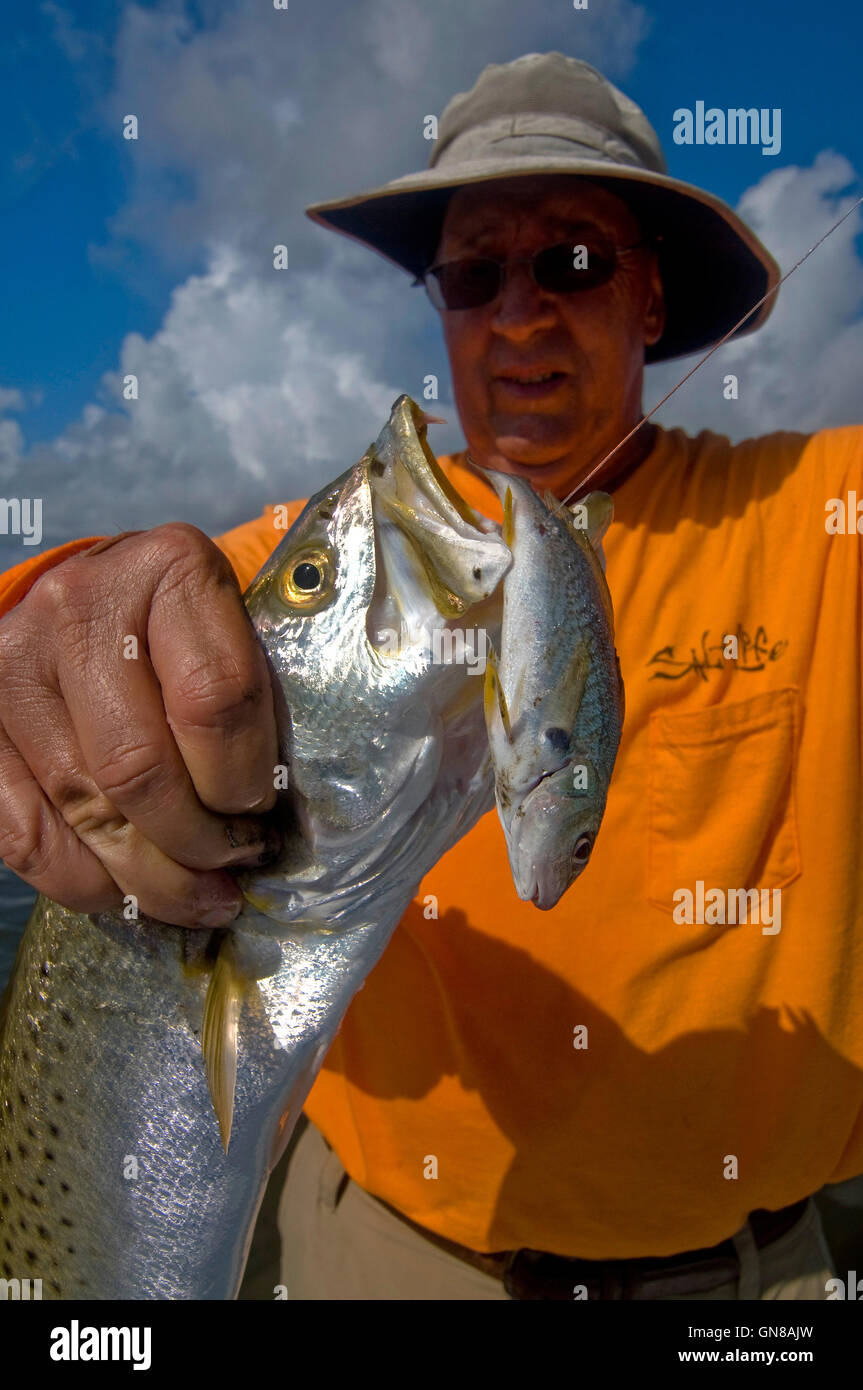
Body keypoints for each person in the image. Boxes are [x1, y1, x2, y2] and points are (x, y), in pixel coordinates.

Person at [0, 53, 859, 1300]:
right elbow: (135, 610)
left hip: (752, 1281)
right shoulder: (367, 542)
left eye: (571, 260)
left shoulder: (816, 516)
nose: (516, 316)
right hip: (393, 1258)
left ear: (654, 300)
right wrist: (54, 616)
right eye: (471, 273)